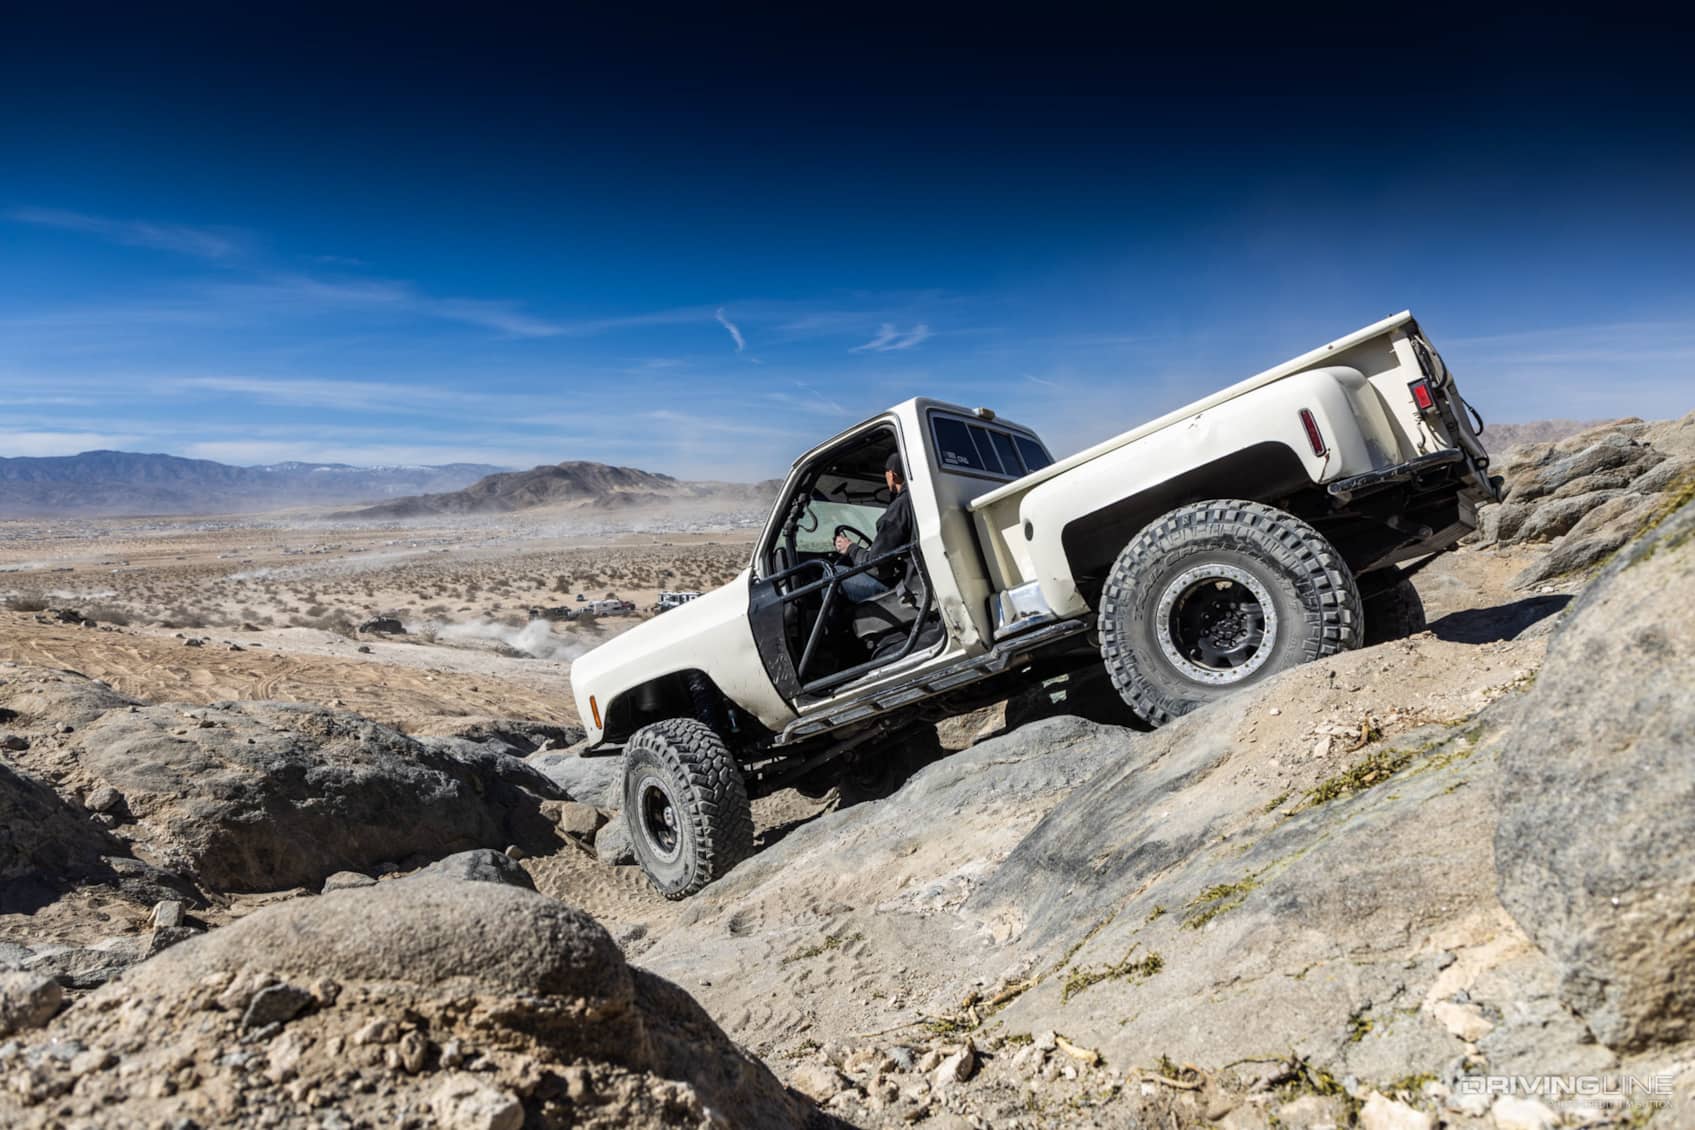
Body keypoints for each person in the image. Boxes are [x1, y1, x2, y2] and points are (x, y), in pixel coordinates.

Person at [828, 450, 916, 603]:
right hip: (914, 582)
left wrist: (851, 549)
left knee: (830, 574)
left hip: (904, 589)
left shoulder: (899, 508)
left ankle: (834, 626)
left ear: (892, 474)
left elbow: (877, 567)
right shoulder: (917, 500)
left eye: (886, 473)